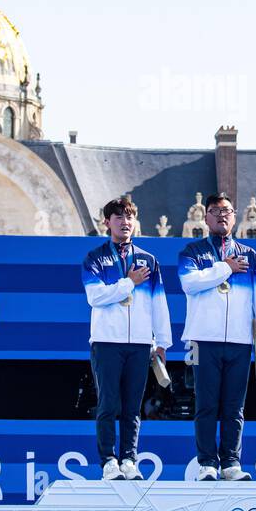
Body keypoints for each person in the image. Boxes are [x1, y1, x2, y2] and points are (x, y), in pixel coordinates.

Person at [177, 193, 256, 482]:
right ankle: (207, 463)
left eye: (228, 211)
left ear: (235, 217)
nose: (222, 215)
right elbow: (190, 284)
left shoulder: (252, 256)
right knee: (207, 404)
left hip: (240, 340)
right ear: (206, 218)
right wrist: (226, 268)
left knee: (234, 407)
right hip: (203, 339)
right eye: (216, 211)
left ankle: (231, 463)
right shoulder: (192, 252)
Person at [82, 196, 172, 480]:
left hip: (141, 343)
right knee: (109, 403)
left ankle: (129, 460)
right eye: (119, 217)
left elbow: (160, 303)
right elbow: (95, 297)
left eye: (129, 217)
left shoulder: (149, 260)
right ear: (107, 223)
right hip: (107, 341)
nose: (125, 222)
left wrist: (162, 343)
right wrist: (128, 283)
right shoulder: (95, 257)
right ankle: (108, 460)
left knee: (134, 406)